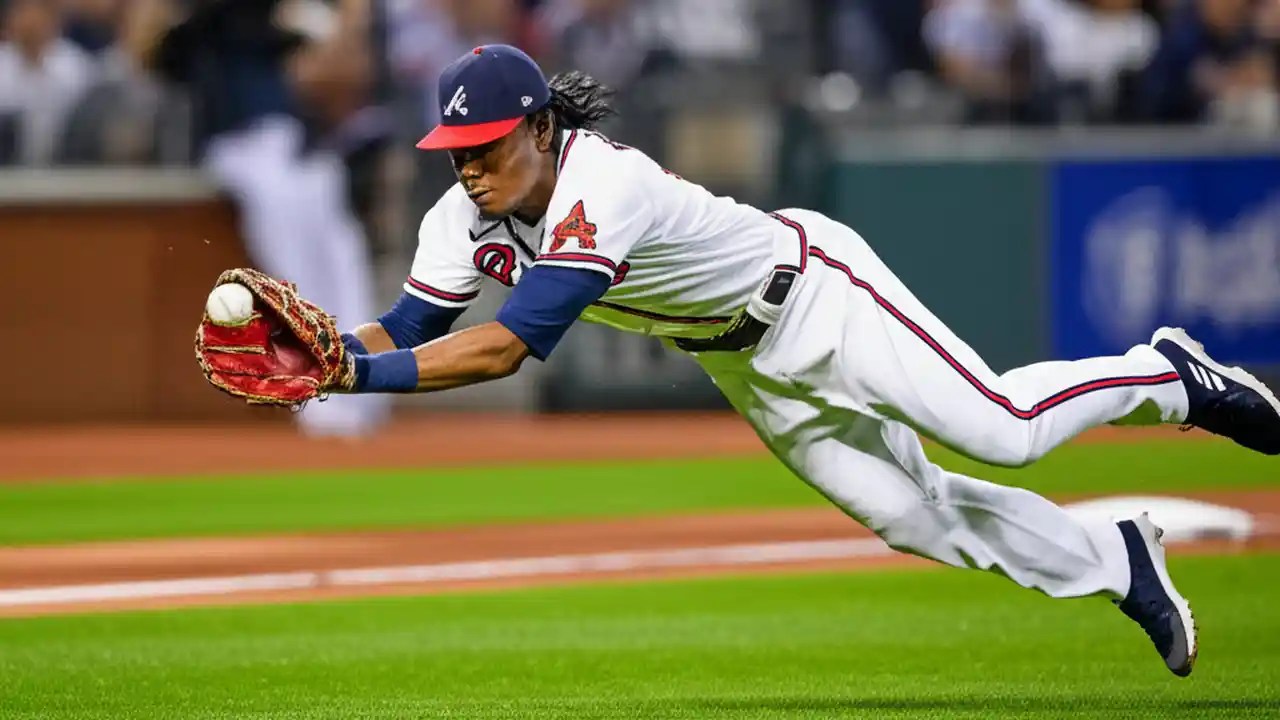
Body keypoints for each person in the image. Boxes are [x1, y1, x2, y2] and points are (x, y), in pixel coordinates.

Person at [324, 45, 1280, 675]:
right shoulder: (460, 215)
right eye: (455, 151)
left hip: (817, 293)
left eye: (486, 145)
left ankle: (1169, 375)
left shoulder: (603, 183)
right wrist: (330, 356)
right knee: (912, 516)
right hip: (736, 359)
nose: (470, 168)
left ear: (540, 129)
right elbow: (406, 325)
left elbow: (505, 348)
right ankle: (1116, 563)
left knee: (1005, 430)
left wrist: (355, 378)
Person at [131, 0, 388, 437]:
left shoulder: (276, 23)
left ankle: (363, 372)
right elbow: (147, 52)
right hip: (237, 148)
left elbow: (334, 62)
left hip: (293, 146)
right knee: (290, 256)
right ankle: (317, 386)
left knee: (339, 244)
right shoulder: (199, 30)